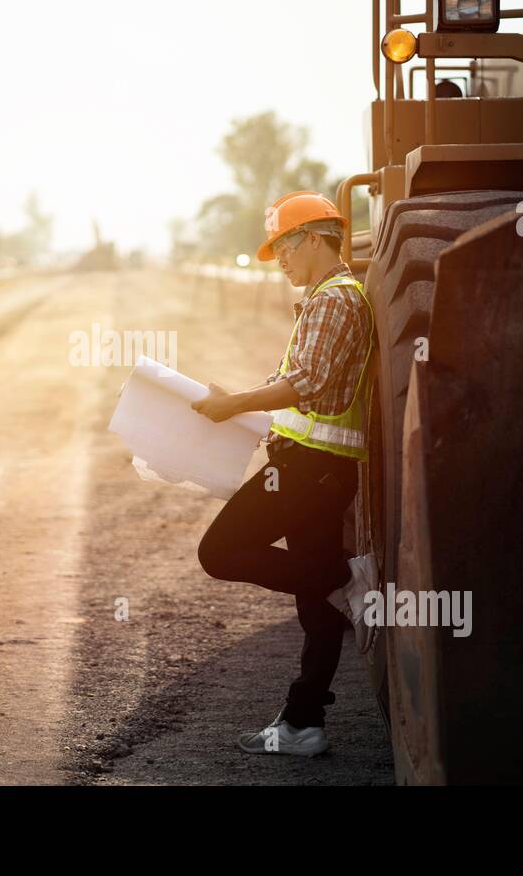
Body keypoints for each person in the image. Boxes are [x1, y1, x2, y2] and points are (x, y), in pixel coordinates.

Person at [190, 190, 377, 757]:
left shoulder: (336, 302)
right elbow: (302, 393)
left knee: (218, 553)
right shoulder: (324, 299)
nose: (281, 261)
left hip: (308, 472)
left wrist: (235, 405)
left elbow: (308, 384)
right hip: (314, 468)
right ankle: (303, 726)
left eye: (286, 248)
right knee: (313, 610)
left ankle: (343, 576)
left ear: (315, 240)